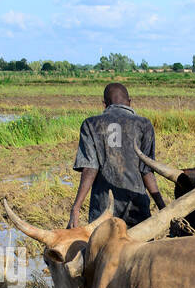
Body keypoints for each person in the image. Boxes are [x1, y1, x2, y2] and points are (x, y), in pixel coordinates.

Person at [68, 82, 167, 228]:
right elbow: (147, 171)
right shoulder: (144, 124)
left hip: (103, 206)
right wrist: (163, 208)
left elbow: (90, 169)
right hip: (136, 204)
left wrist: (76, 208)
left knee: (103, 249)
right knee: (140, 249)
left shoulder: (90, 124)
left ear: (104, 104)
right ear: (130, 102)